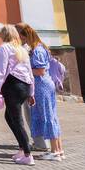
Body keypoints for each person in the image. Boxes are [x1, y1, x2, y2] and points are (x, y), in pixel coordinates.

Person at [18, 22, 64, 161]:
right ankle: (58, 150)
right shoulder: (39, 47)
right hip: (44, 85)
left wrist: (24, 70)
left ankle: (55, 151)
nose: (21, 40)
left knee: (48, 117)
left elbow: (40, 70)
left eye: (21, 37)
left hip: (41, 86)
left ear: (25, 35)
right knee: (52, 116)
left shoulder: (37, 50)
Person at [0, 24, 35, 164]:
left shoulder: (4, 48)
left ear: (5, 35)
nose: (0, 36)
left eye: (1, 34)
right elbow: (29, 72)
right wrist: (31, 92)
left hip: (12, 86)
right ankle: (22, 149)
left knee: (16, 120)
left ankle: (28, 155)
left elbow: (1, 70)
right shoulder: (21, 49)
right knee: (10, 117)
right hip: (24, 86)